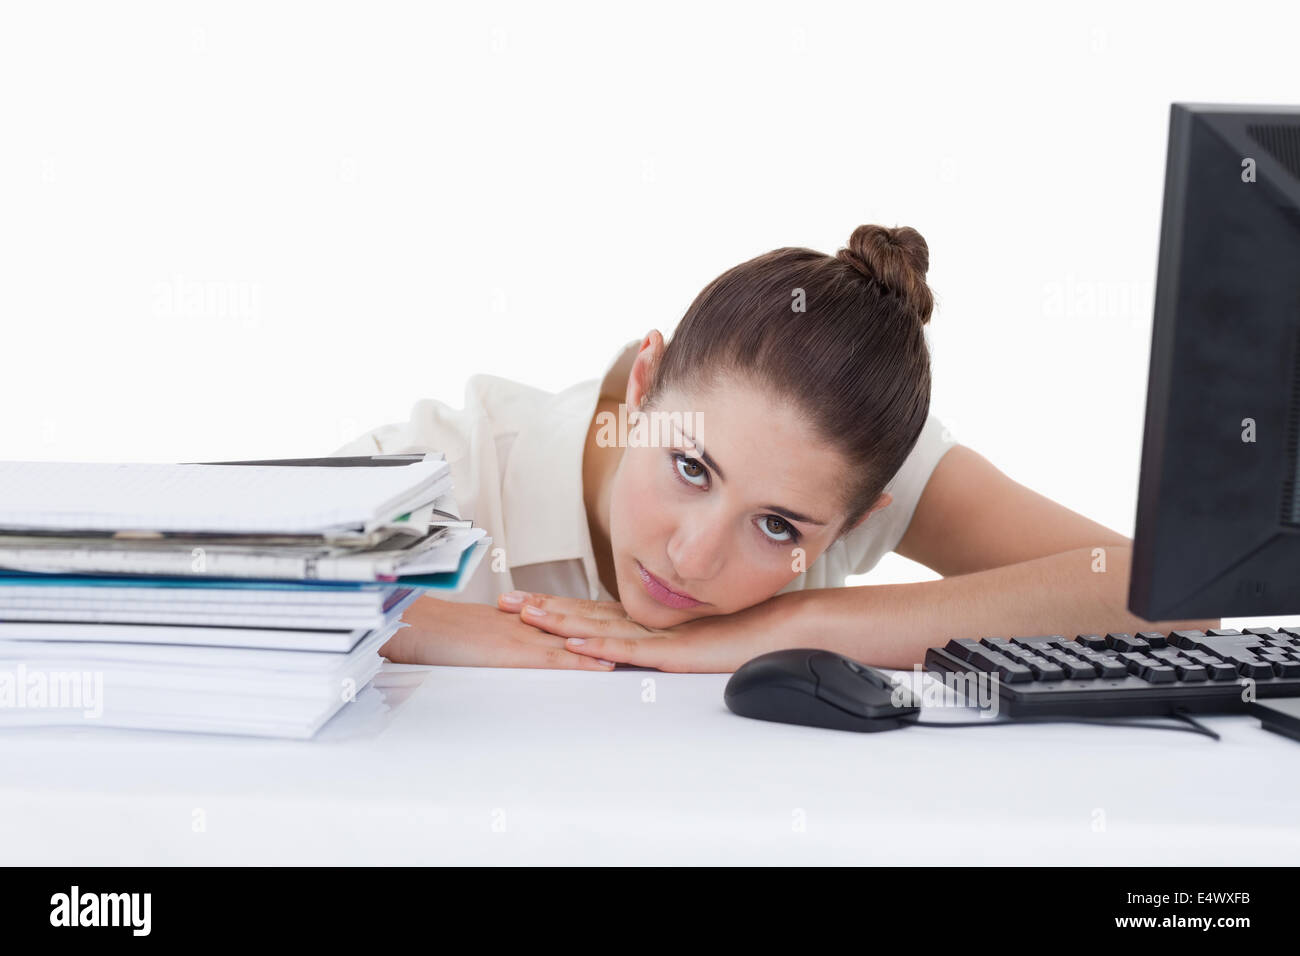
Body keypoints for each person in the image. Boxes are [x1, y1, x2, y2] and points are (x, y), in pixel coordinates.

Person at [333, 224, 1216, 673]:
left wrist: (795, 626)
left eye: (778, 528)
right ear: (645, 385)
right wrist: (459, 633)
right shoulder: (438, 466)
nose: (692, 554)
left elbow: (1177, 598)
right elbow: (207, 597)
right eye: (689, 468)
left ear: (861, 520)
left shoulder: (861, 456)